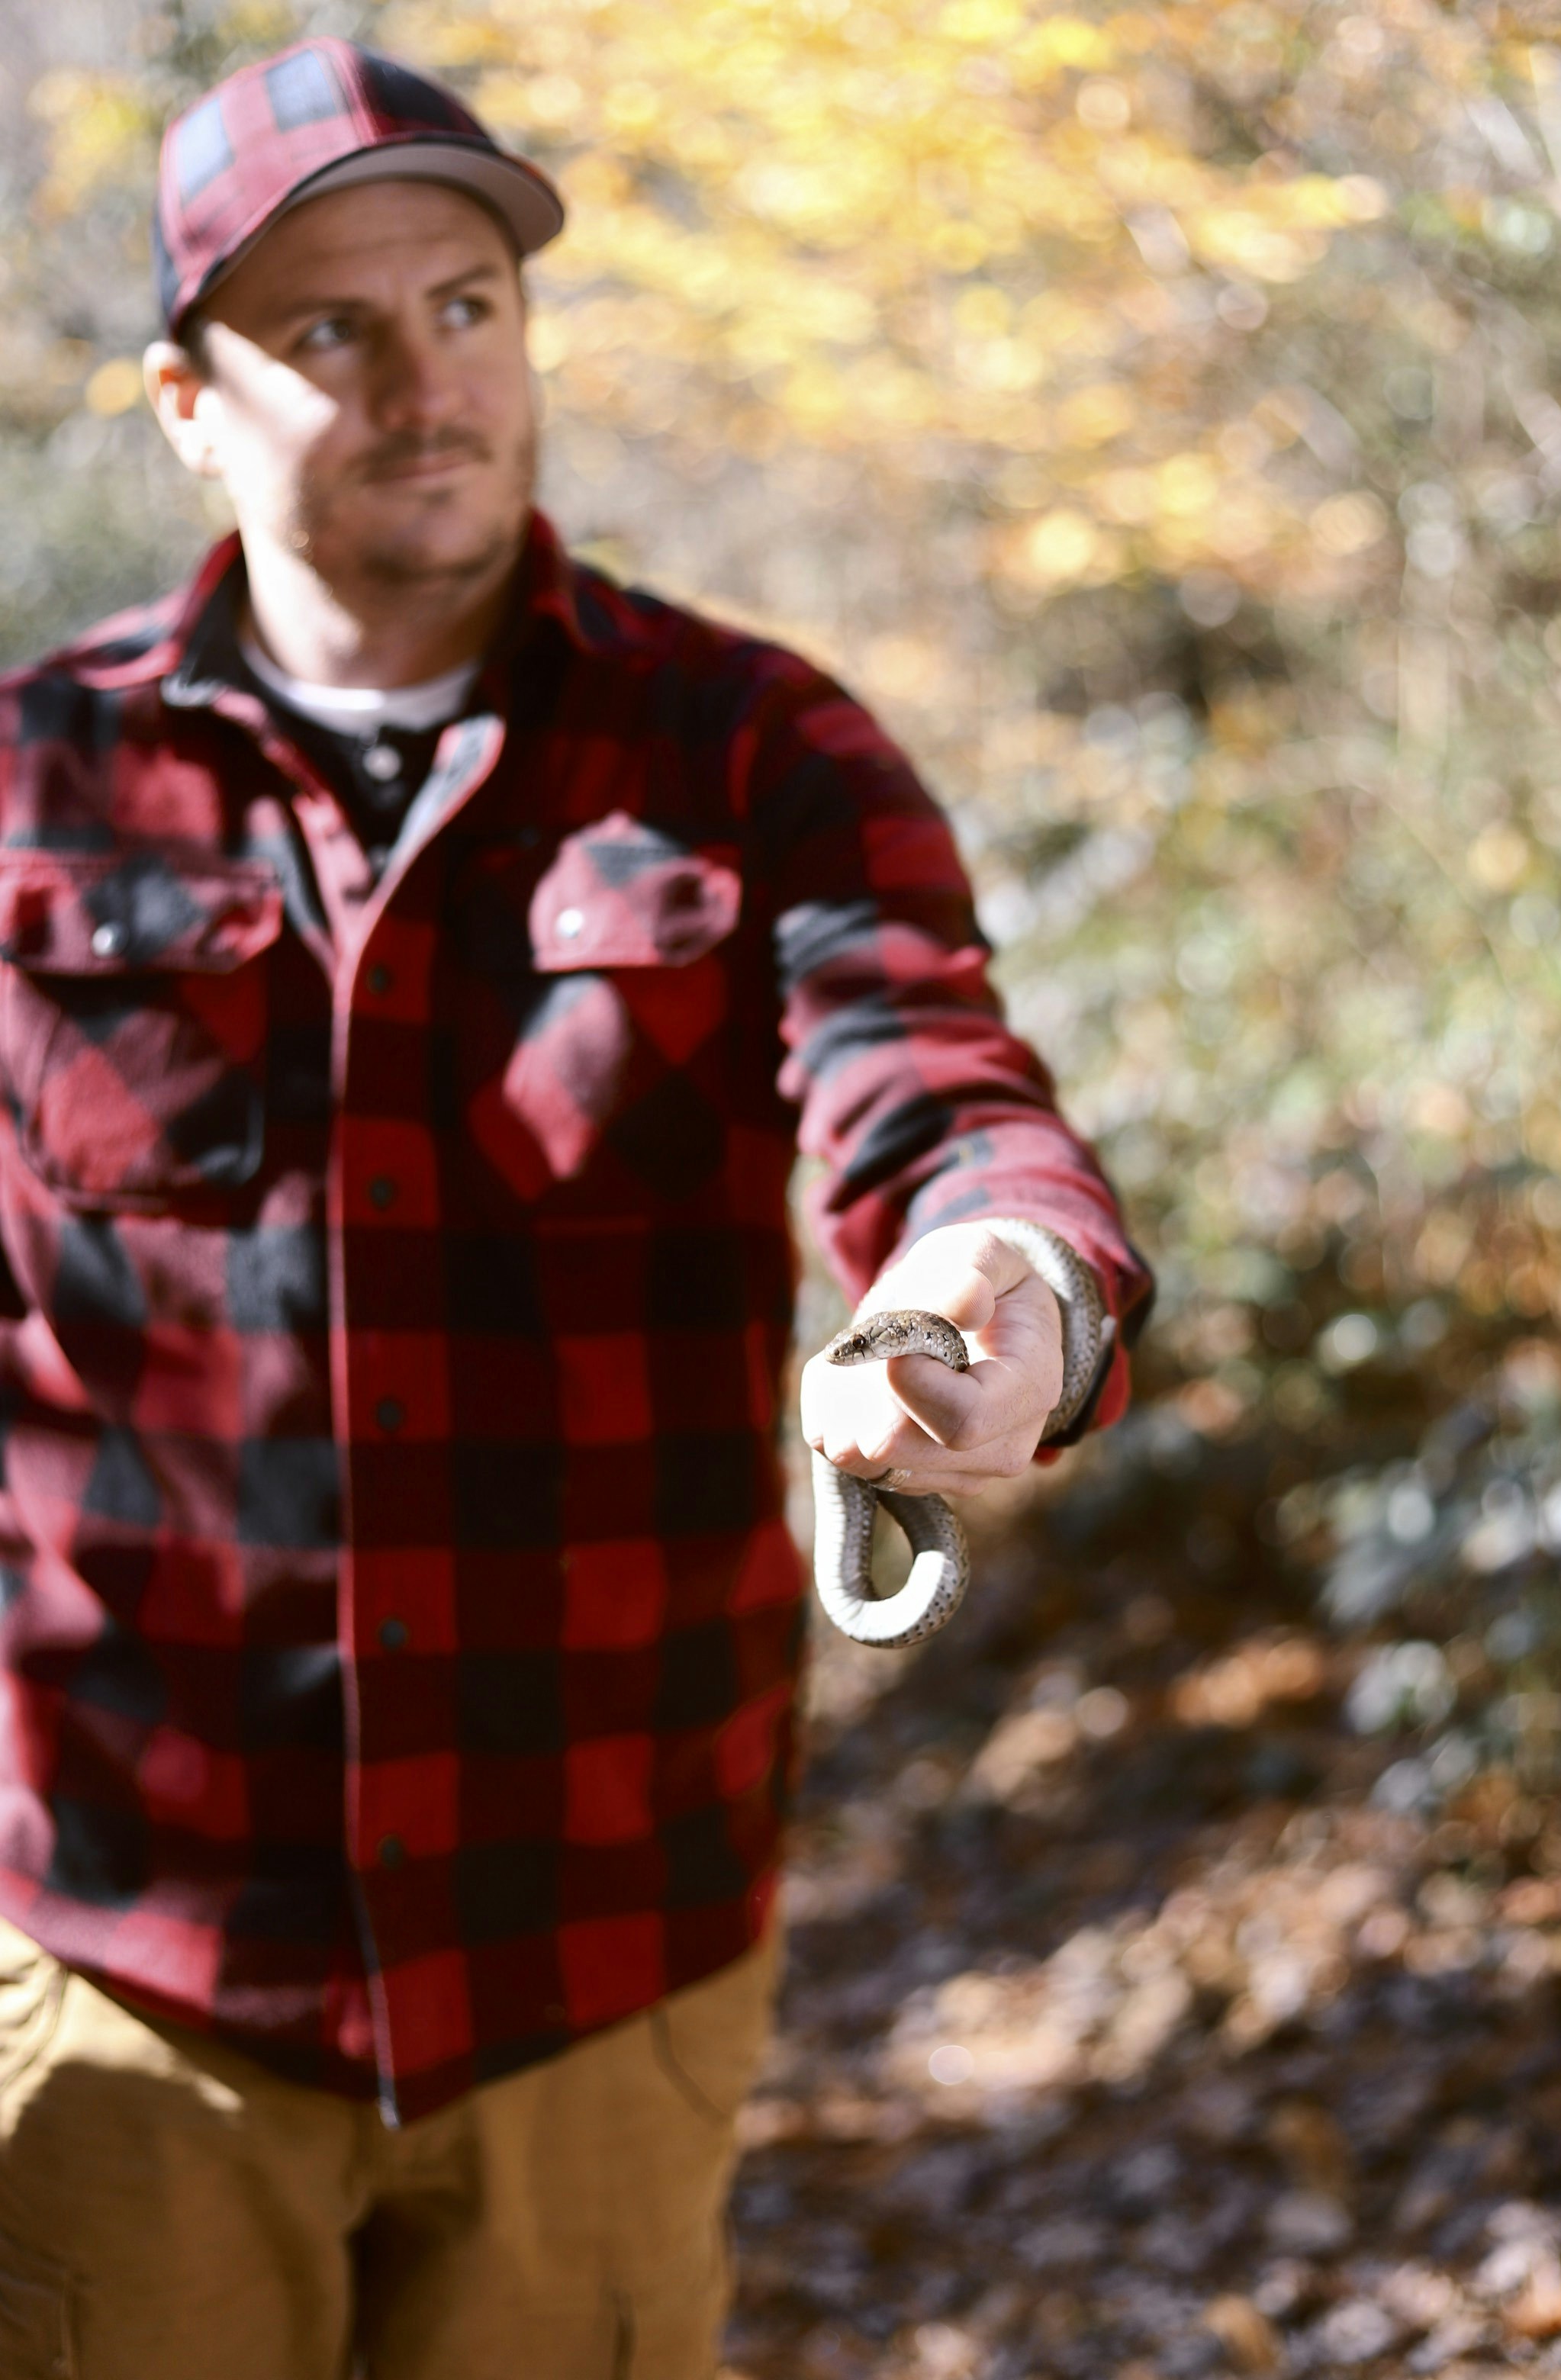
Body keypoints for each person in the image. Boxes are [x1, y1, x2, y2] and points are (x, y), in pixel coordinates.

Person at [0, 37, 1152, 2380]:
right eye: (330, 327)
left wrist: (991, 1301)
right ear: (186, 402)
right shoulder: (33, 788)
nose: (427, 378)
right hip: (119, 1975)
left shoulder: (758, 750)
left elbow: (939, 1096)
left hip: (602, 1959)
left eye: (469, 304)